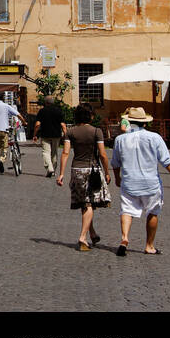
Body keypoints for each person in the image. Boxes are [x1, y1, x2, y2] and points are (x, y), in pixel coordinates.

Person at [111, 107, 170, 257]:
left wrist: (117, 178)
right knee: (153, 212)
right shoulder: (155, 138)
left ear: (129, 121)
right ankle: (149, 246)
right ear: (145, 123)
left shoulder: (120, 139)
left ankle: (124, 238)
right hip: (151, 183)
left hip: (129, 181)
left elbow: (116, 163)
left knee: (126, 210)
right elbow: (166, 161)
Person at [57, 103, 110, 251]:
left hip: (76, 169)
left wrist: (61, 173)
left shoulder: (70, 132)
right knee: (89, 203)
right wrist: (107, 172)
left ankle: (92, 233)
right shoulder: (96, 131)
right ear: (91, 116)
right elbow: (103, 154)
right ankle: (82, 237)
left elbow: (65, 153)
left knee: (84, 203)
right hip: (92, 169)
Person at [0, 97, 24, 174]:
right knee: (4, 147)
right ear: (2, 98)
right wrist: (24, 122)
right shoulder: (6, 106)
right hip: (3, 129)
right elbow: (18, 114)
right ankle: (1, 160)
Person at [33, 96, 67, 178]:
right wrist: (66, 136)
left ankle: (49, 168)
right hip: (56, 135)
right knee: (54, 153)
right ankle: (54, 170)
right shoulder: (58, 111)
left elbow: (37, 124)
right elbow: (63, 125)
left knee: (46, 152)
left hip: (45, 135)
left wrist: (35, 134)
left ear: (46, 103)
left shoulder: (42, 111)